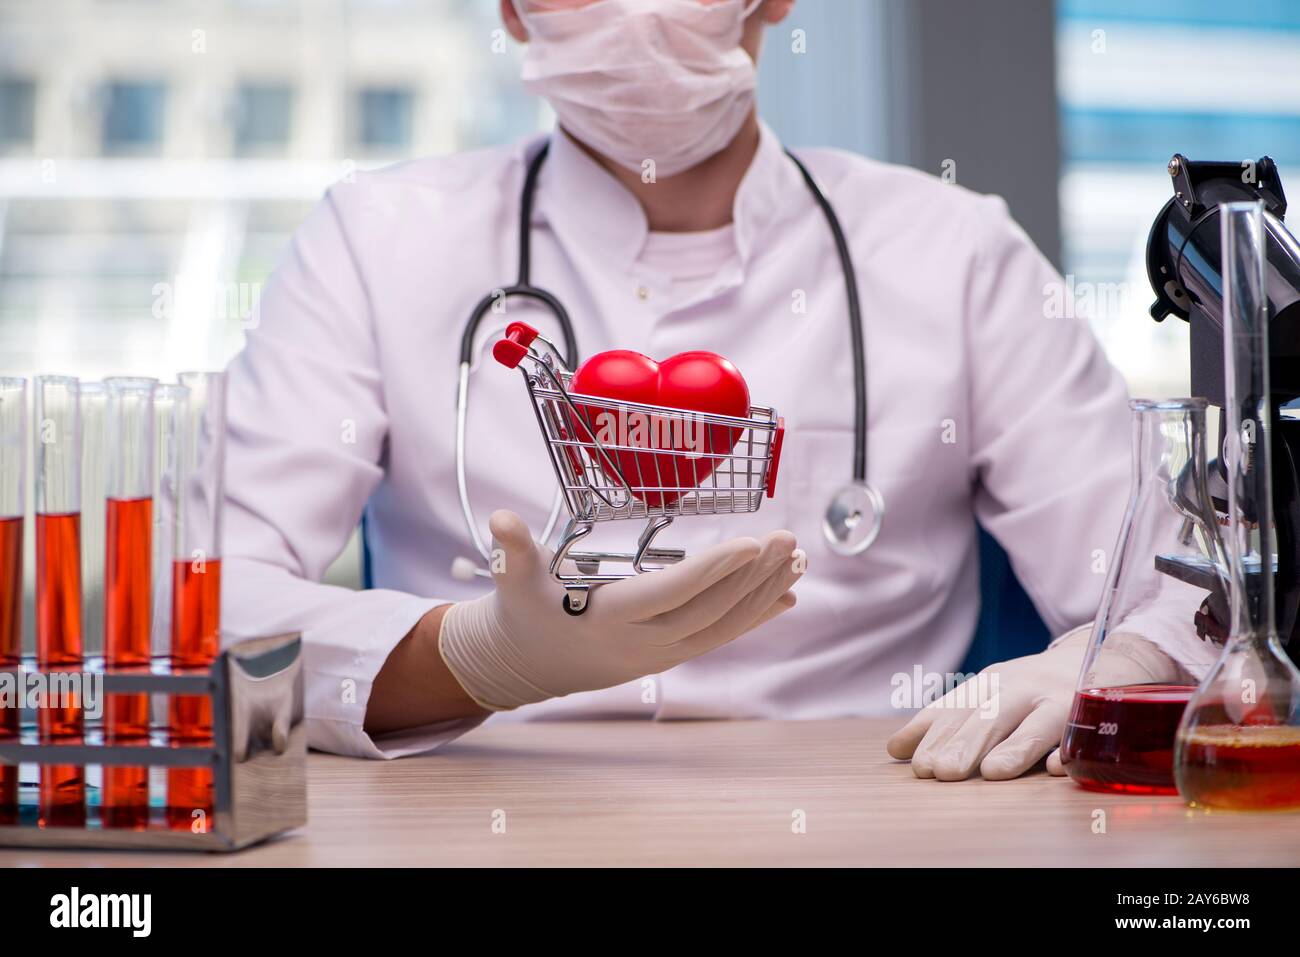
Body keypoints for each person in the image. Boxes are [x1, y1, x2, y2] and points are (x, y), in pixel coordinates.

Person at [220, 0, 1216, 776]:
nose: (635, 12)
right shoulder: (375, 241)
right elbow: (202, 615)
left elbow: (1189, 592)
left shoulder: (955, 254)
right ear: (511, 8)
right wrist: (477, 659)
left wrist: (1118, 668)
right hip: (465, 801)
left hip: (869, 811)